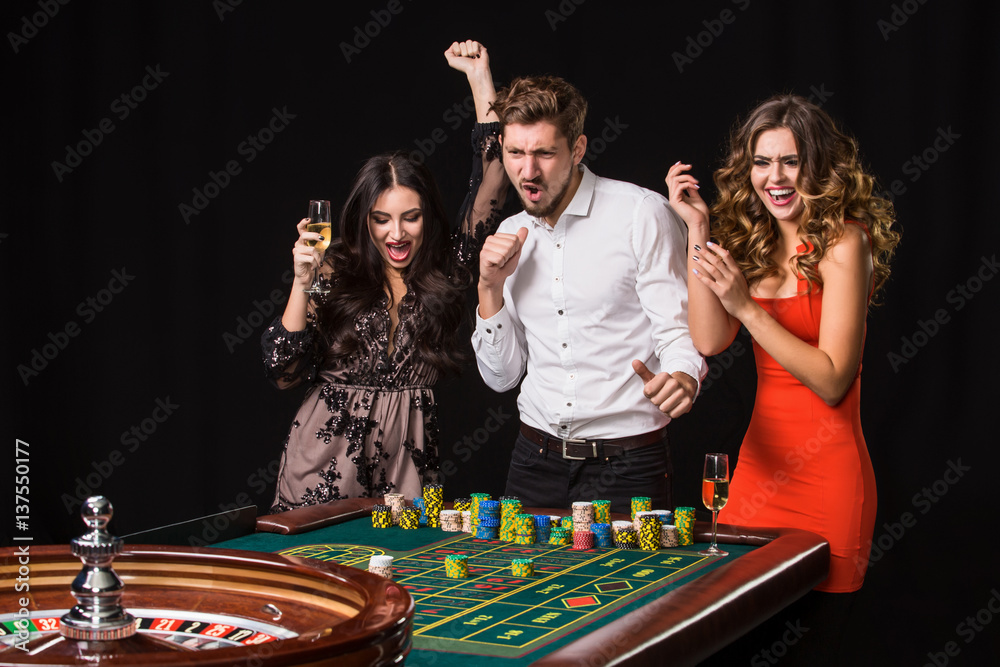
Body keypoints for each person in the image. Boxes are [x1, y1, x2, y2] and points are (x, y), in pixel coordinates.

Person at [664, 94, 900, 595]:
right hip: (758, 475)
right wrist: (697, 229)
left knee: (819, 632)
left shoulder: (845, 244)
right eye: (762, 162)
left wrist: (747, 308)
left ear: (818, 165)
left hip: (831, 478)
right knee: (740, 622)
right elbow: (708, 340)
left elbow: (833, 380)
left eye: (791, 162)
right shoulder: (752, 244)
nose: (775, 177)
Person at [262, 41, 509, 512]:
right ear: (365, 220)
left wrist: (480, 80)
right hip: (322, 463)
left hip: (407, 464)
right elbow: (283, 370)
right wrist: (301, 280)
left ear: (427, 217)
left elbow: (495, 174)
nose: (396, 234)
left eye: (410, 218)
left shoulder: (448, 266)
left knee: (407, 561)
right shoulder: (334, 268)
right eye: (382, 220)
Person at [472, 75, 707, 514]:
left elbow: (679, 331)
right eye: (515, 153)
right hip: (534, 462)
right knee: (518, 566)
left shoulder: (641, 214)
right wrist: (489, 288)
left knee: (632, 568)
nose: (528, 171)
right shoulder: (508, 234)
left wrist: (683, 376)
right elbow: (501, 378)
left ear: (578, 149)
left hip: (629, 464)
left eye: (545, 153)